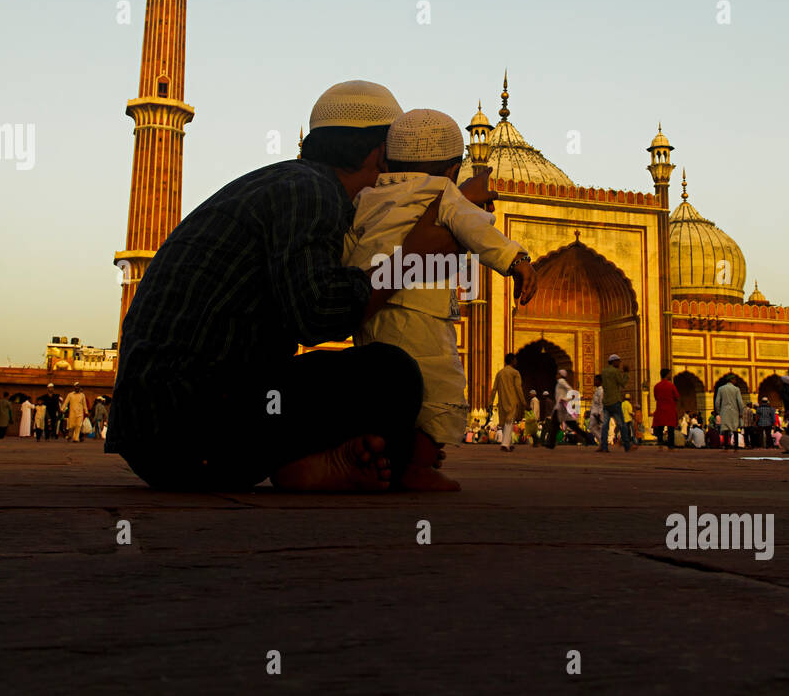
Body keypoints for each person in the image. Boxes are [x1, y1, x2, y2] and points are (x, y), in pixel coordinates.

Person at [109, 82, 507, 492]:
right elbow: (322, 314)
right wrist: (408, 260)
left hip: (161, 434)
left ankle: (312, 462)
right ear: (379, 155)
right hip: (196, 430)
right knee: (393, 372)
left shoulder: (291, 183)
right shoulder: (313, 194)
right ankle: (392, 463)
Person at [344, 107, 536, 473]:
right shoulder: (446, 194)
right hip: (422, 317)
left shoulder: (367, 198)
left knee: (383, 392)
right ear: (452, 169)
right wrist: (517, 261)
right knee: (440, 391)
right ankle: (420, 466)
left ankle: (382, 453)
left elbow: (348, 245)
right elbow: (477, 230)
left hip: (370, 311)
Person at [484, 354, 525, 453]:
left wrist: (491, 402)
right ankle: (505, 444)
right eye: (515, 360)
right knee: (509, 422)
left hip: (502, 401)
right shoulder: (515, 373)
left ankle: (509, 443)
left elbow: (494, 389)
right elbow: (518, 388)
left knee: (506, 422)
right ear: (512, 361)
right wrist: (523, 402)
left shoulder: (500, 373)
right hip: (512, 400)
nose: (516, 361)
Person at [597, 354, 631, 453]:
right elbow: (623, 383)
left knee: (605, 426)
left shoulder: (604, 371)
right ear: (614, 361)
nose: (619, 363)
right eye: (618, 361)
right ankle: (627, 446)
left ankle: (604, 446)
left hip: (606, 402)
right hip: (615, 401)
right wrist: (626, 373)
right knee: (622, 425)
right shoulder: (615, 371)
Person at [714, 375, 744, 451]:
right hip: (734, 411)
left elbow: (717, 402)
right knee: (735, 429)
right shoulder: (736, 389)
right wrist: (741, 412)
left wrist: (718, 411)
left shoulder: (721, 389)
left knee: (726, 429)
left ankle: (726, 447)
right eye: (735, 379)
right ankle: (736, 447)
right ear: (731, 380)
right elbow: (740, 402)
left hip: (724, 411)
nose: (735, 381)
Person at [652, 368, 679, 449]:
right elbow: (677, 396)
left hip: (660, 408)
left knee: (660, 427)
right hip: (670, 408)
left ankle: (660, 442)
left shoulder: (657, 386)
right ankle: (670, 445)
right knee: (671, 428)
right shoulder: (671, 385)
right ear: (667, 375)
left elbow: (656, 397)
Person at [588, 374, 604, 446]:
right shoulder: (597, 390)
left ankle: (602, 442)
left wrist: (599, 413)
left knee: (596, 427)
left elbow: (601, 403)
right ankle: (602, 442)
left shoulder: (601, 391)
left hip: (597, 412)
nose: (594, 381)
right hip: (594, 412)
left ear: (600, 381)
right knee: (593, 427)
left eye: (596, 380)